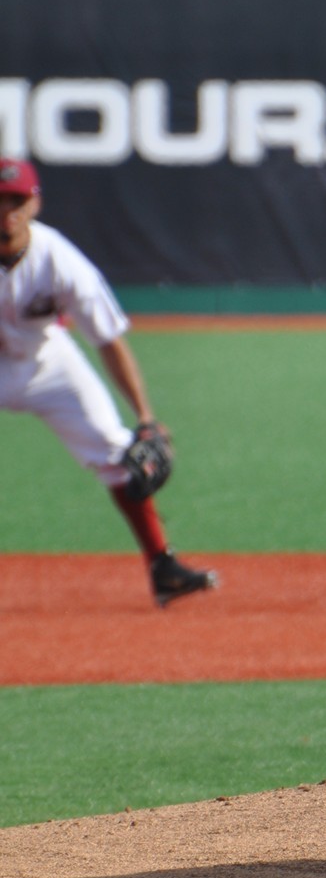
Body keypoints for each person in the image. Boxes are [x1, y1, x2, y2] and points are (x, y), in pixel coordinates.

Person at [0, 159, 218, 607]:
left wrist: (146, 417)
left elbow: (108, 339)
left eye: (17, 201)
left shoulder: (59, 259)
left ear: (35, 203)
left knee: (120, 455)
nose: (7, 212)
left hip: (46, 362)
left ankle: (163, 567)